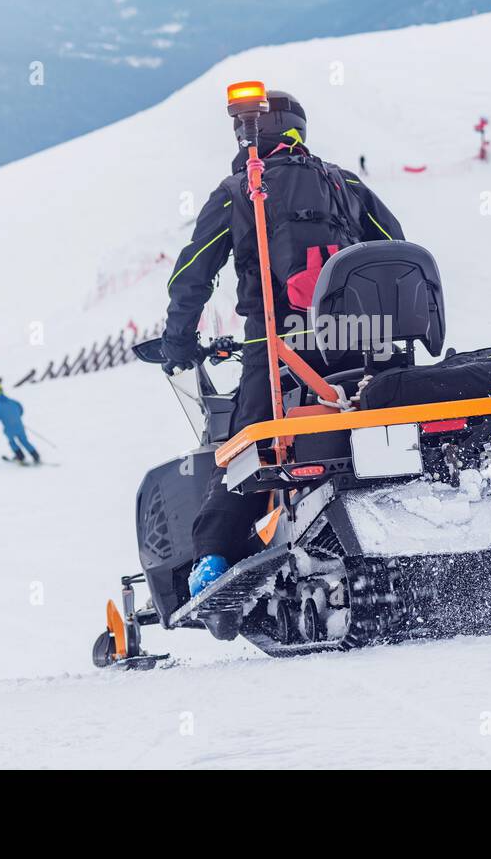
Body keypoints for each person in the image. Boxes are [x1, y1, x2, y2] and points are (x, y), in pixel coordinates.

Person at [162, 89, 405, 595]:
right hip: (361, 341)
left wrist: (178, 341)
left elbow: (192, 274)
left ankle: (213, 558)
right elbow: (397, 247)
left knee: (248, 446)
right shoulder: (347, 183)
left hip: (280, 343)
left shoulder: (238, 190)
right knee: (380, 413)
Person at [0, 383, 40, 464]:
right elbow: (21, 410)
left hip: (9, 428)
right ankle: (35, 455)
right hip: (19, 426)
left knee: (12, 442)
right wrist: (16, 419)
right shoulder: (13, 402)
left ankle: (20, 456)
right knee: (24, 441)